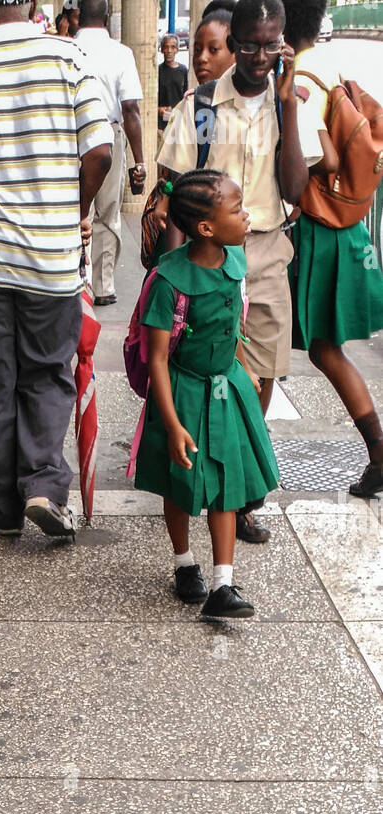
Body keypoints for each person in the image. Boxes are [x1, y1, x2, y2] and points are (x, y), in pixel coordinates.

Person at [0, 1, 112, 539]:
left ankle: (3, 508)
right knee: (46, 375)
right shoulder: (68, 55)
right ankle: (42, 486)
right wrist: (73, 210)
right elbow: (100, 151)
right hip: (49, 259)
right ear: (33, 4)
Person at [158, 0, 308, 545]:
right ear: (234, 39)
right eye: (248, 44)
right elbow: (173, 192)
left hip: (265, 252)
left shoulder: (291, 103)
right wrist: (170, 277)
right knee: (198, 376)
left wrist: (288, 105)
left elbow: (295, 190)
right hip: (204, 261)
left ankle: (240, 489)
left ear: (284, 42)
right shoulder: (199, 107)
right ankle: (197, 478)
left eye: (272, 44)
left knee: (258, 378)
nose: (260, 56)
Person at [134, 171, 279, 619]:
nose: (246, 215)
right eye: (236, 210)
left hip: (226, 387)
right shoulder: (169, 280)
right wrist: (173, 422)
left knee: (227, 489)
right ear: (206, 228)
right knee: (179, 486)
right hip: (184, 393)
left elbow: (232, 322)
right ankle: (183, 564)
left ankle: (223, 585)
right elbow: (157, 357)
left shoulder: (235, 260)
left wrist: (245, 366)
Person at [284, 0, 383, 499]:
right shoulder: (326, 64)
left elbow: (317, 153)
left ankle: (247, 478)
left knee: (291, 348)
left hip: (317, 226)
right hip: (346, 221)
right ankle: (378, 450)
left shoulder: (299, 76)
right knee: (325, 349)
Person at [72, 0, 146, 307]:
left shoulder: (67, 50)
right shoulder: (121, 54)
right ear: (107, 16)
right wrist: (139, 161)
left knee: (76, 211)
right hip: (109, 134)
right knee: (107, 213)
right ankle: (102, 286)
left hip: (72, 135)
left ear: (77, 15)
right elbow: (130, 108)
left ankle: (77, 282)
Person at [192, 6, 235, 86]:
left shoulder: (256, 97)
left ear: (235, 54)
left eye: (213, 49)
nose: (202, 58)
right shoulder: (192, 98)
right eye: (197, 50)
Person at [158, 34, 188, 132]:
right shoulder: (158, 71)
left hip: (178, 117)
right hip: (162, 120)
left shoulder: (183, 70)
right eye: (166, 47)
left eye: (173, 47)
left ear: (177, 50)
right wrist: (159, 110)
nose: (169, 51)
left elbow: (185, 94)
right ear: (162, 50)